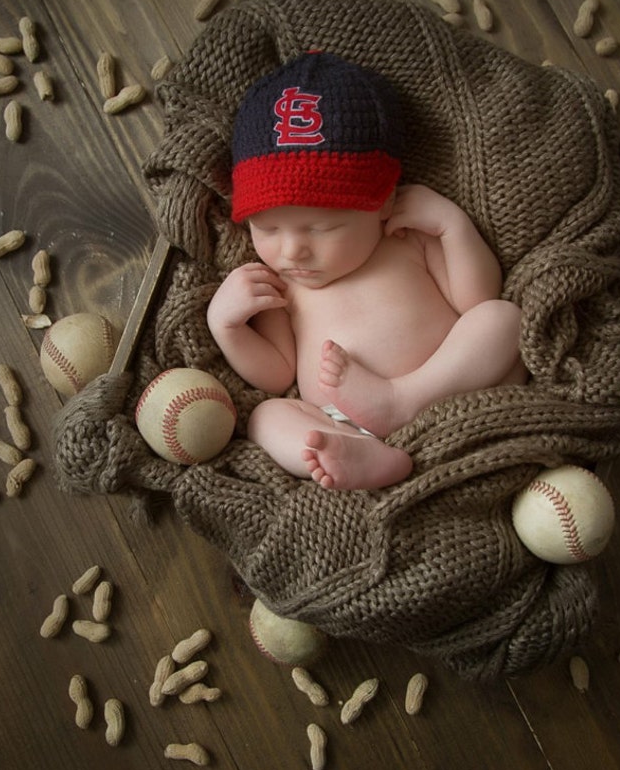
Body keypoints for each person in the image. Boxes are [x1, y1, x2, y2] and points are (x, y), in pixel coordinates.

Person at [207, 51, 526, 490]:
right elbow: (277, 373)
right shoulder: (279, 283)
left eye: (322, 227)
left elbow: (475, 300)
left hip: (449, 386)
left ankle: (402, 400)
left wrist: (453, 227)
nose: (293, 250)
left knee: (502, 319)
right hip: (345, 422)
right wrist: (227, 327)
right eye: (269, 227)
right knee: (267, 416)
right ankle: (358, 456)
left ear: (385, 202)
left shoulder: (403, 237)